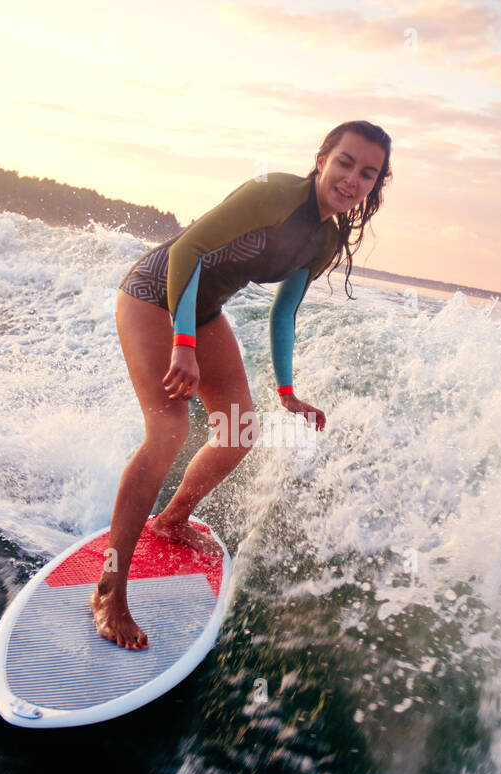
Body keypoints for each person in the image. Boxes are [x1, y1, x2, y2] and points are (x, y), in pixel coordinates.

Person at [92, 120, 393, 649]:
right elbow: (188, 250)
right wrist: (182, 344)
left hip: (201, 311)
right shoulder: (274, 192)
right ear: (323, 157)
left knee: (239, 429)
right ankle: (109, 591)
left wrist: (286, 391)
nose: (352, 179)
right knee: (167, 431)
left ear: (375, 185)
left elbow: (283, 313)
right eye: (345, 162)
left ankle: (171, 520)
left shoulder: (327, 236)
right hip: (151, 293)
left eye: (368, 173)